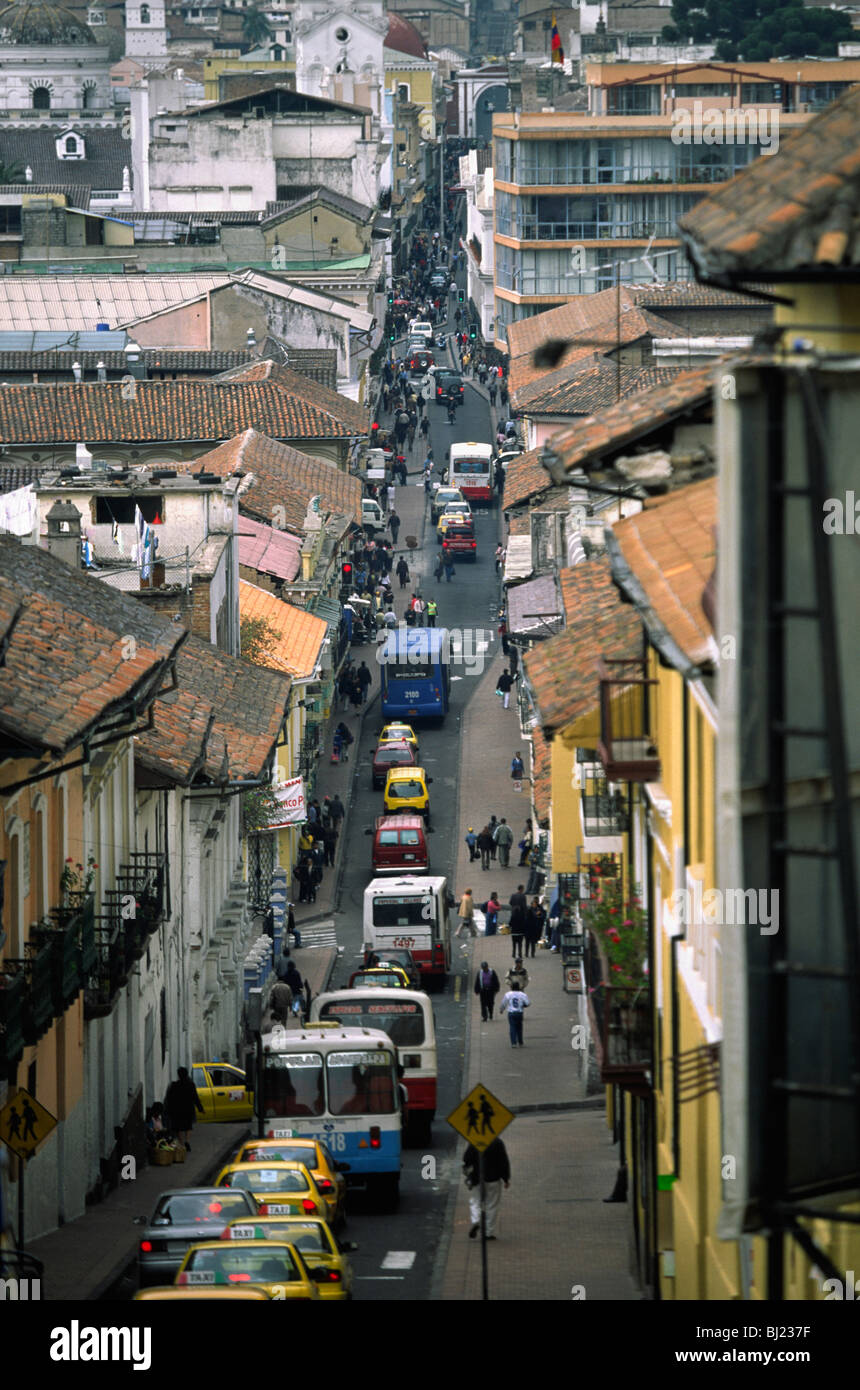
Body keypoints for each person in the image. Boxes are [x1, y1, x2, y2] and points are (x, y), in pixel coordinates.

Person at [464, 1137, 510, 1239]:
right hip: (493, 1178)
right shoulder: (497, 1142)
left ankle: (476, 1220)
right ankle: (488, 1233)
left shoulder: (474, 1140)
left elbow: (466, 1158)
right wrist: (506, 1178)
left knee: (475, 1200)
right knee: (492, 1204)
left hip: (477, 1177)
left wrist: (468, 1169)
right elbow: (503, 1161)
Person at [164, 1067, 204, 1151]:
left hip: (178, 1110)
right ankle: (187, 1141)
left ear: (179, 1075)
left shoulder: (174, 1085)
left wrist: (169, 1110)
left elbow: (170, 1099)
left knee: (179, 1127)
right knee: (188, 1126)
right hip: (188, 1109)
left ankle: (182, 1144)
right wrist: (200, 1108)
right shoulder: (191, 1084)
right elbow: (195, 1097)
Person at [500, 979, 530, 1047]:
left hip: (511, 1013)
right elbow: (528, 1003)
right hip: (519, 1012)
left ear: (511, 987)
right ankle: (520, 1041)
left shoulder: (508, 994)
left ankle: (513, 1042)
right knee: (519, 1027)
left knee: (512, 1027)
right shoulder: (522, 994)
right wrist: (523, 1005)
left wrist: (501, 1010)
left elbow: (503, 1003)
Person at [508, 885, 528, 958]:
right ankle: (520, 953)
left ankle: (513, 953)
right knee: (520, 942)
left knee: (514, 942)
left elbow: (510, 903)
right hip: (520, 929)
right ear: (522, 889)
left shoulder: (513, 895)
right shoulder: (523, 896)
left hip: (514, 931)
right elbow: (525, 906)